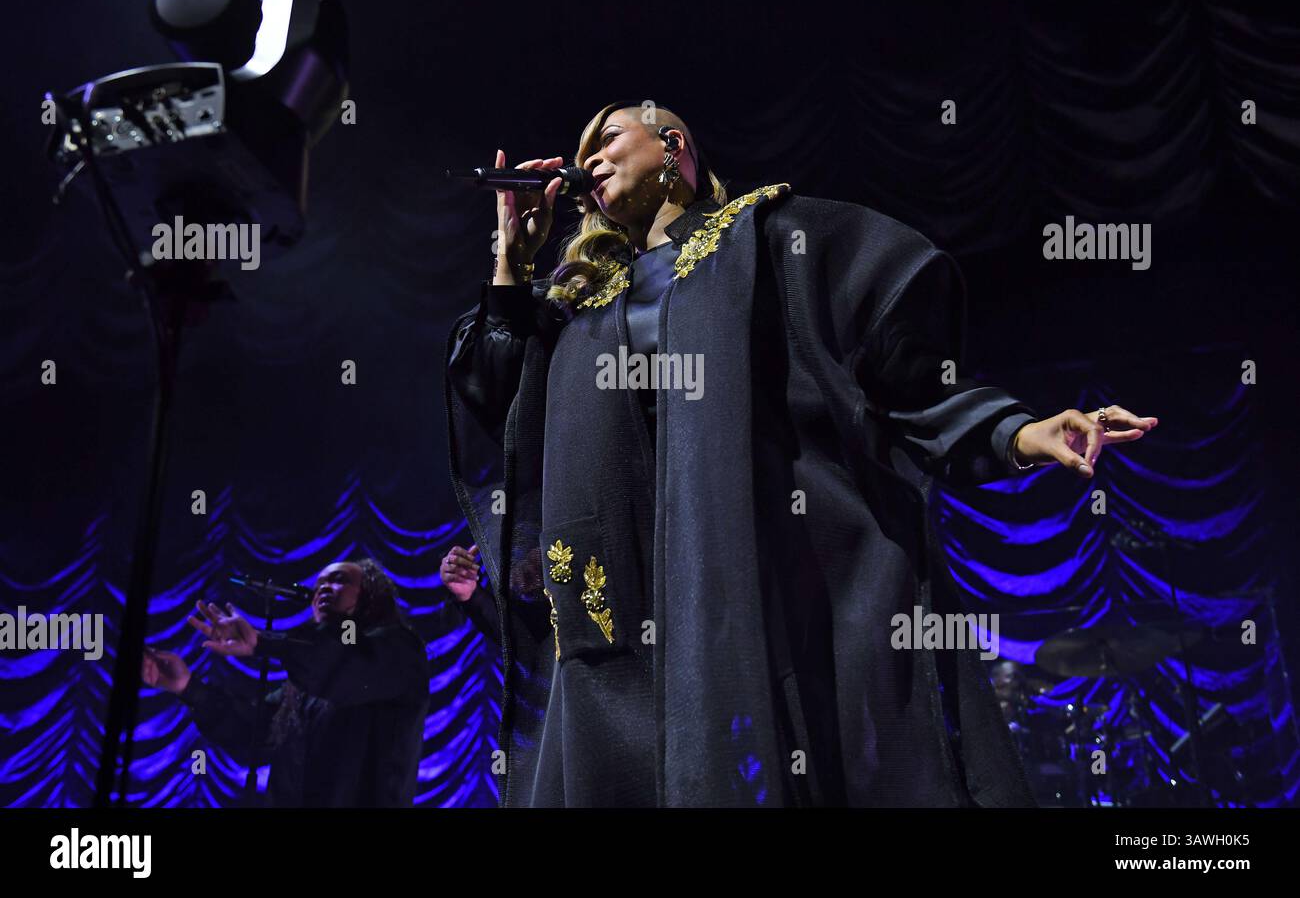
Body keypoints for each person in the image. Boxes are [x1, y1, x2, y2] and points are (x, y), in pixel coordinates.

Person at [444, 99, 1158, 807]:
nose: (589, 158)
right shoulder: (581, 305)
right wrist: (512, 260)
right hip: (618, 622)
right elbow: (503, 405)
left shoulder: (766, 239)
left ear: (673, 146)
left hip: (748, 584)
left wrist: (1018, 433)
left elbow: (897, 379)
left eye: (608, 138)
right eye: (584, 151)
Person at [141, 559, 429, 806]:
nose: (324, 588)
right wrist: (187, 686)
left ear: (371, 594)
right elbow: (252, 731)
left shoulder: (396, 650)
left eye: (339, 580)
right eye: (319, 584)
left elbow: (342, 666)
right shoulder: (302, 682)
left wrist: (263, 643)